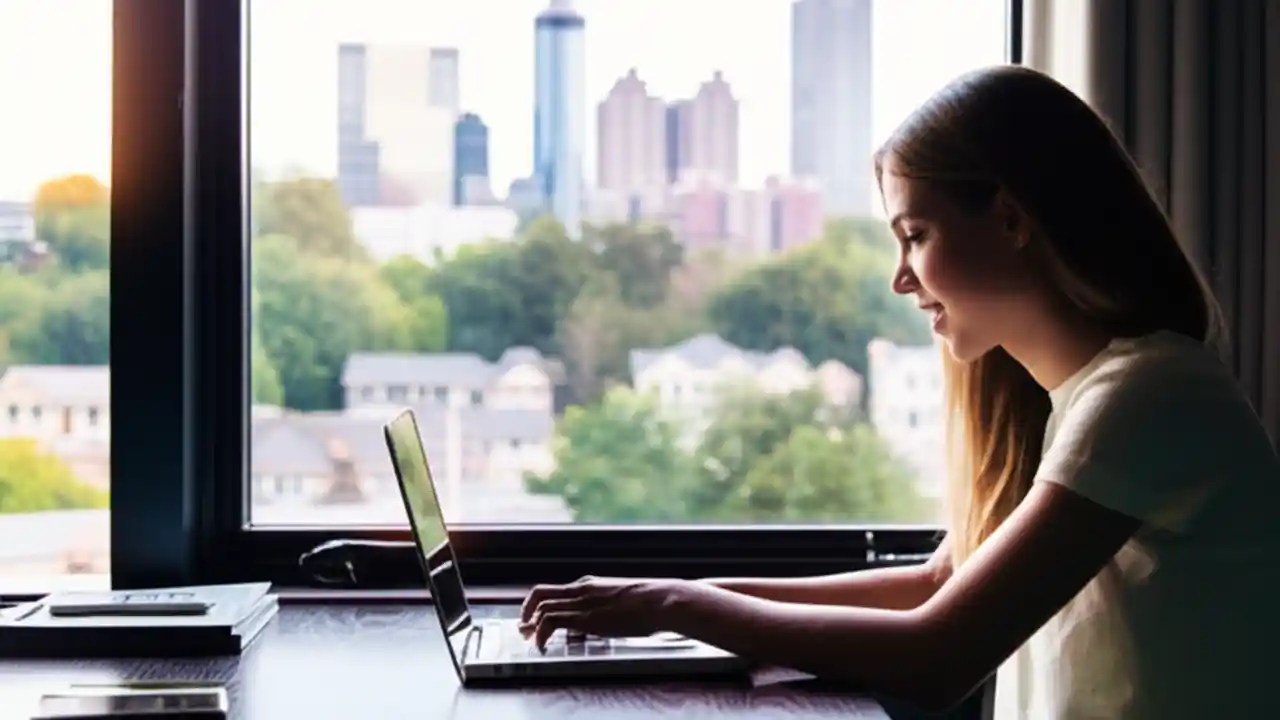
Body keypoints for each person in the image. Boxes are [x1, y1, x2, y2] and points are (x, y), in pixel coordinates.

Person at [518, 65, 1280, 718]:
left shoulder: (1147, 394)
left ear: (1012, 220)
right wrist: (670, 596)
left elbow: (937, 653)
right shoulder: (1086, 399)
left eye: (915, 234)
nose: (901, 278)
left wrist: (679, 606)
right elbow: (937, 582)